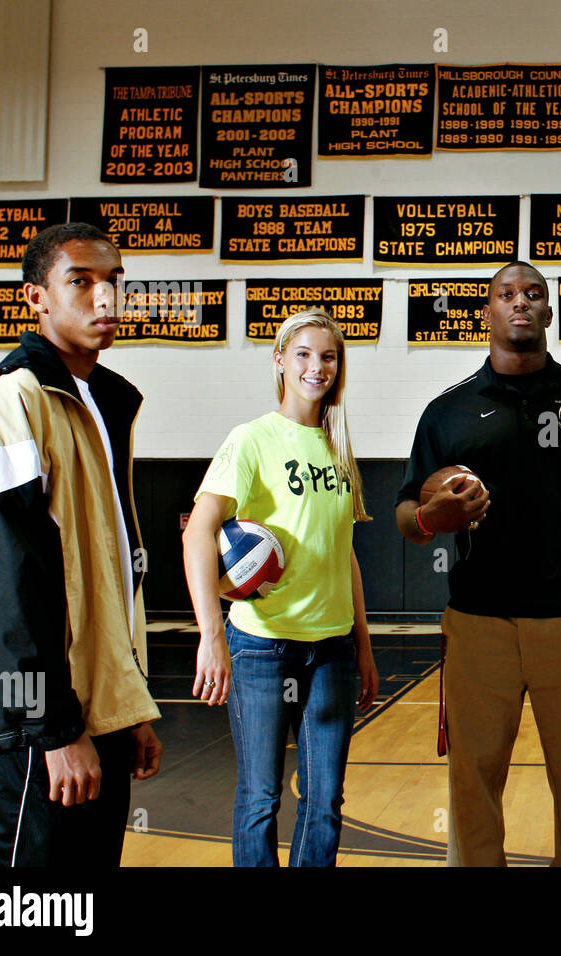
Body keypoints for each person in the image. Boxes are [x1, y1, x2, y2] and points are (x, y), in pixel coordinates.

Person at [394, 261, 561, 866]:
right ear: (487, 312)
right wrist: (433, 519)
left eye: (534, 294)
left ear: (549, 314)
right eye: (507, 294)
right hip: (480, 622)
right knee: (472, 786)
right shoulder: (447, 411)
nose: (521, 302)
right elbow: (405, 513)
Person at [0, 222, 162, 866]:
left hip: (96, 718)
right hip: (33, 730)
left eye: (114, 283)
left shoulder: (104, 403)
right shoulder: (10, 400)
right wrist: (51, 730)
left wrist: (130, 709)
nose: (105, 299)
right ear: (35, 298)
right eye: (81, 282)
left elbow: (109, 582)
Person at [183, 307, 378, 867]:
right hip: (261, 647)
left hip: (334, 650)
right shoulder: (250, 440)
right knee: (261, 798)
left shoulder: (341, 451)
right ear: (280, 361)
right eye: (305, 354)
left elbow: (345, 555)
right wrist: (209, 637)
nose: (318, 366)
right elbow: (197, 535)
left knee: (324, 800)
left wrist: (363, 644)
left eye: (329, 356)